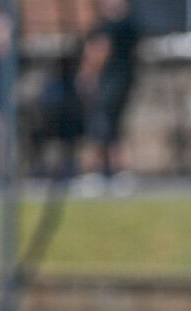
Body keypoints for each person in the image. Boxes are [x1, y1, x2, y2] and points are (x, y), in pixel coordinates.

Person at [78, 0, 138, 182]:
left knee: (100, 124)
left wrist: (89, 74)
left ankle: (98, 170)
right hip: (125, 80)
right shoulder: (131, 25)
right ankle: (119, 170)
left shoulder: (109, 26)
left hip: (109, 81)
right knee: (115, 126)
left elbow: (101, 49)